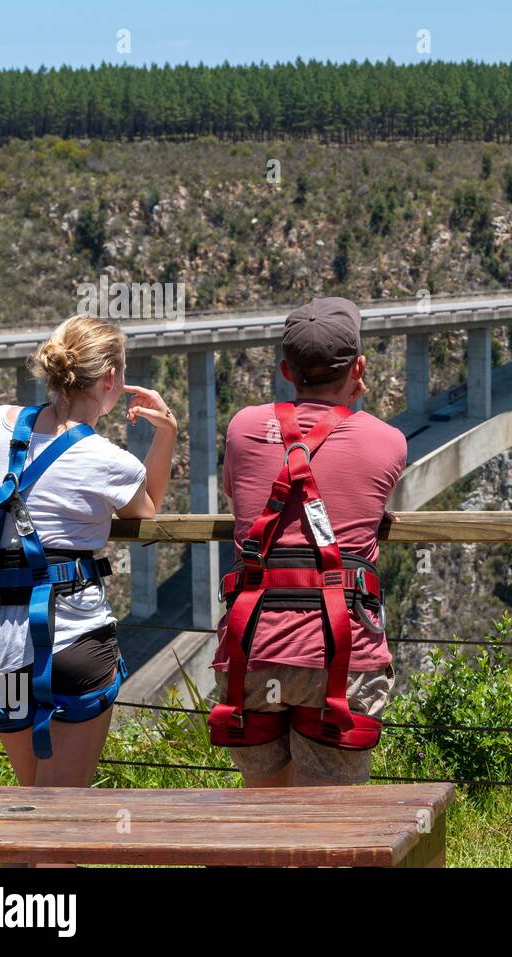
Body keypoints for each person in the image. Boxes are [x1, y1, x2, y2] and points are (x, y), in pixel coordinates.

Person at [0, 314, 176, 787]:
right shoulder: (107, 459)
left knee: (31, 804)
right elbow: (146, 509)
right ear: (111, 378)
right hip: (72, 640)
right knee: (62, 817)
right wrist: (165, 430)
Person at [211, 297, 406, 787]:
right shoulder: (387, 440)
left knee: (265, 815)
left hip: (250, 651)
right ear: (359, 367)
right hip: (340, 655)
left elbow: (235, 496)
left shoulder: (243, 427)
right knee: (330, 825)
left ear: (285, 370)